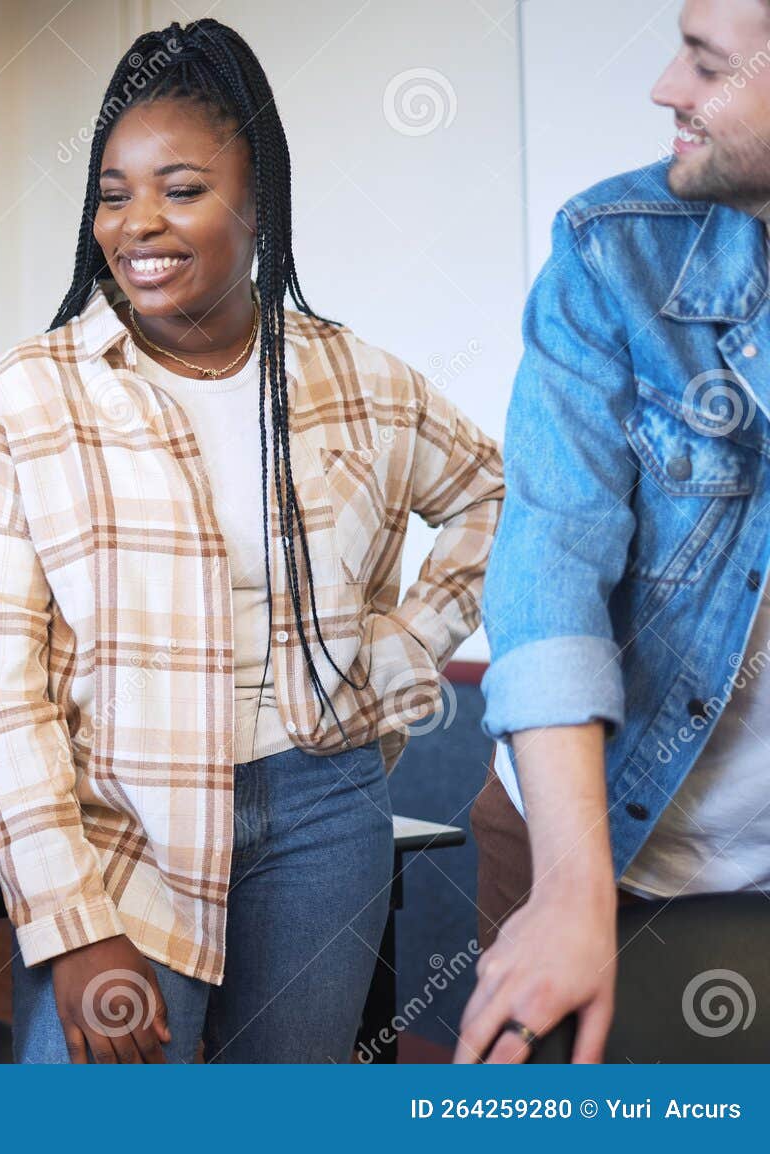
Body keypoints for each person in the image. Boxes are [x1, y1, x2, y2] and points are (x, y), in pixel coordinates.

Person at [0, 19, 504, 1063]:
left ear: (259, 204)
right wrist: (71, 924)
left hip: (323, 812)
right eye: (114, 194)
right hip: (118, 825)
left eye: (182, 189)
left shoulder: (355, 379)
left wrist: (401, 647)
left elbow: (494, 496)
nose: (138, 225)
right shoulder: (33, 395)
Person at [467, 0, 770, 1064]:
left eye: (708, 64)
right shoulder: (612, 250)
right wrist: (569, 886)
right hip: (587, 840)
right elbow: (549, 566)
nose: (665, 89)